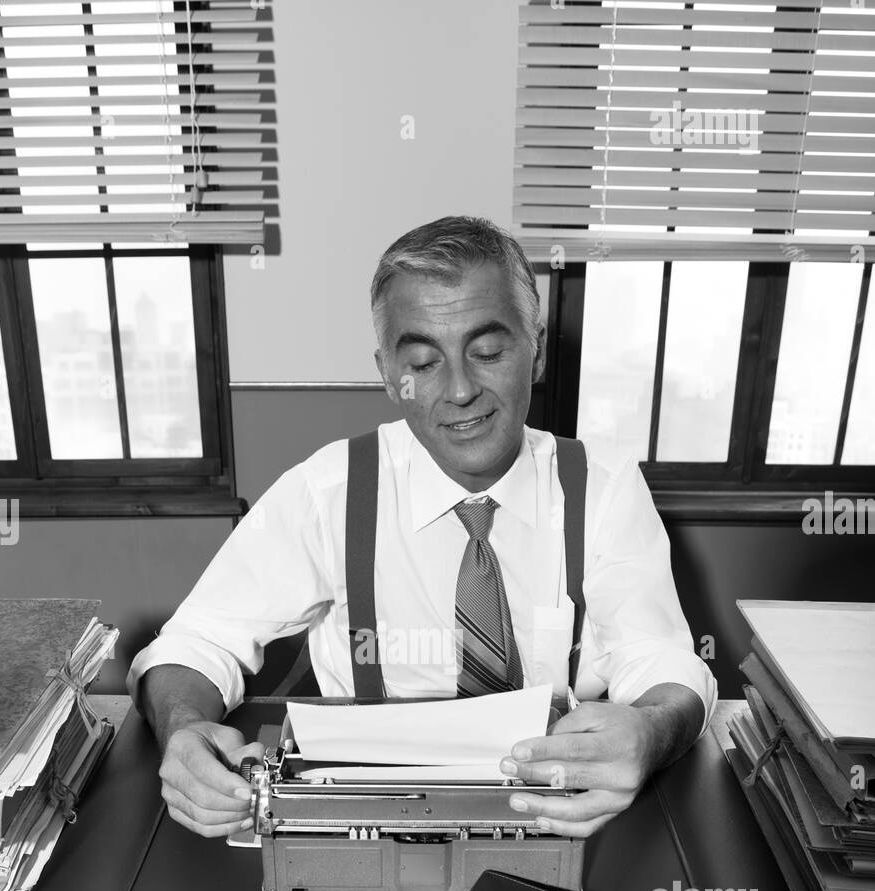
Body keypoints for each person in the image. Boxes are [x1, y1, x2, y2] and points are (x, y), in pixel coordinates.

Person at [127, 215, 716, 842]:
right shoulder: (329, 490)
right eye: (424, 363)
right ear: (388, 373)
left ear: (536, 350)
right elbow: (196, 643)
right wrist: (185, 729)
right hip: (364, 820)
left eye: (488, 352)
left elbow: (662, 664)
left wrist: (651, 732)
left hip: (554, 814)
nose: (461, 390)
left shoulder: (603, 487)